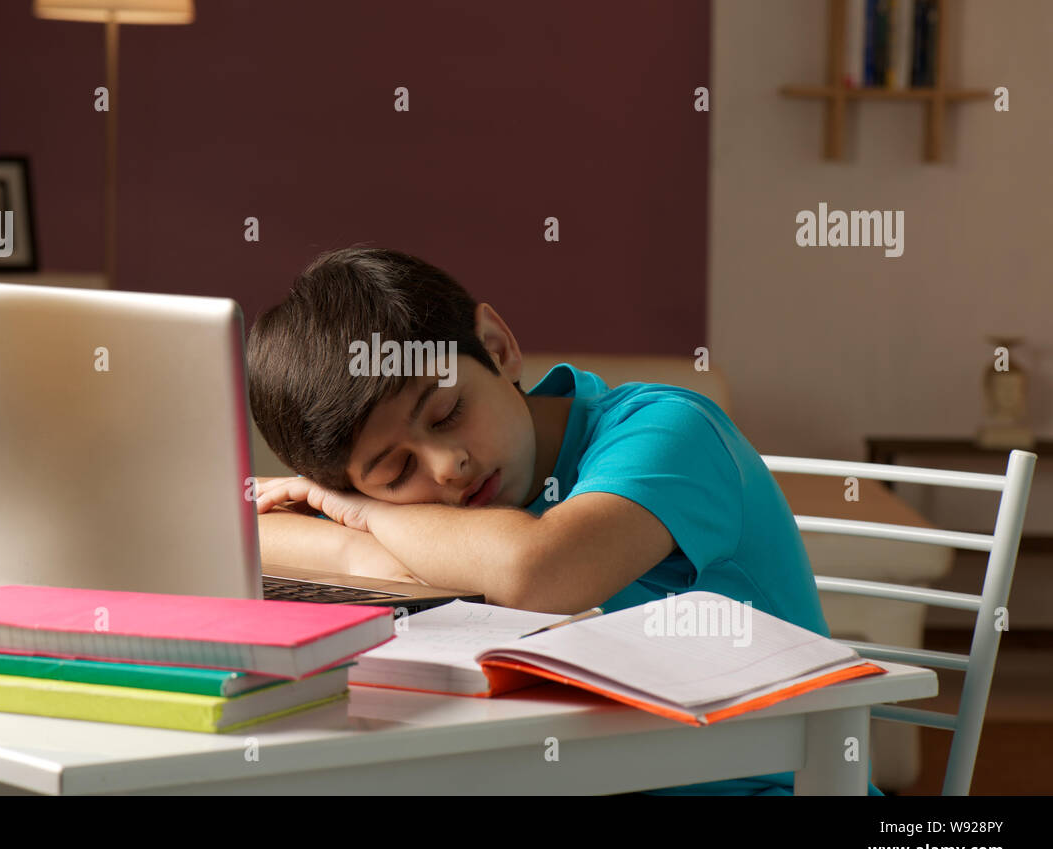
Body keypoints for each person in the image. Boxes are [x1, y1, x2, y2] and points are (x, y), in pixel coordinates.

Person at [247, 245, 883, 796]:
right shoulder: (433, 520)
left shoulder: (669, 430)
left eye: (446, 413)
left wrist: (362, 512)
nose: (447, 466)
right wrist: (368, 546)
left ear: (497, 349)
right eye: (394, 472)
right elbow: (252, 529)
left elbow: (540, 570)